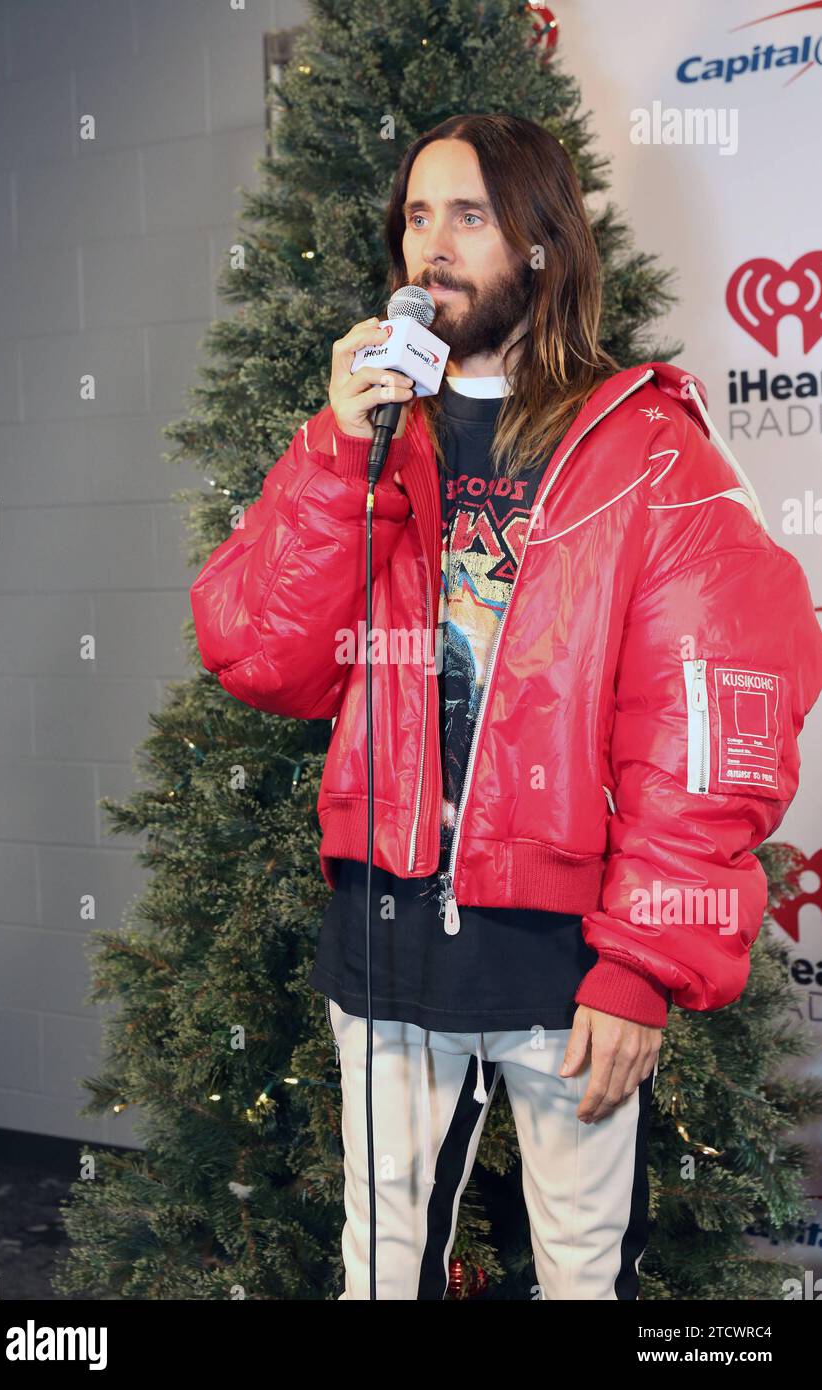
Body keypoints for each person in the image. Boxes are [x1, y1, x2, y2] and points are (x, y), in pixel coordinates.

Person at [189, 113, 822, 1300]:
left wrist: (641, 963)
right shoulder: (368, 437)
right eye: (415, 216)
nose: (432, 245)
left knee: (583, 1279)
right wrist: (334, 453)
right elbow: (259, 653)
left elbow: (706, 723)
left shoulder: (646, 454)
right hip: (380, 942)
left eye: (467, 215)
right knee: (379, 1273)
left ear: (541, 241)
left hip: (561, 957)